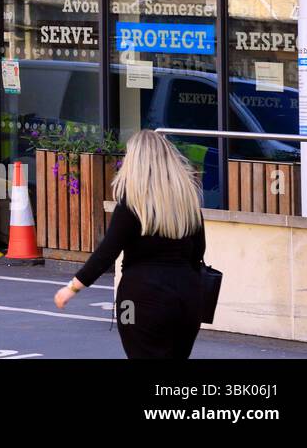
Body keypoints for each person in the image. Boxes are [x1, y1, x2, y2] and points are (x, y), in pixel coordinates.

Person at [53, 131, 206, 358]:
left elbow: (106, 253)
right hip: (188, 296)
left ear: (135, 162)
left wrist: (72, 288)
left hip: (136, 299)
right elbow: (199, 250)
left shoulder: (131, 204)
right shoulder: (188, 201)